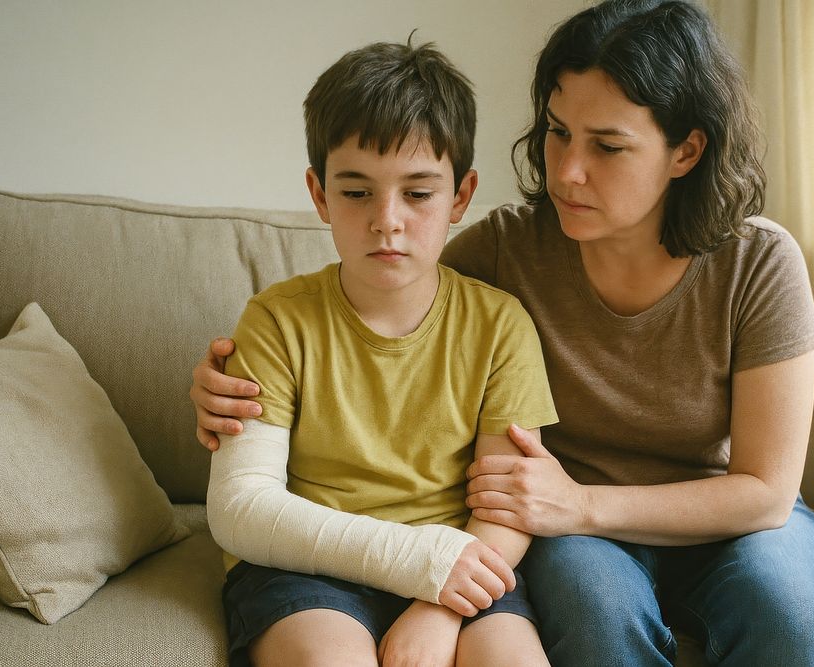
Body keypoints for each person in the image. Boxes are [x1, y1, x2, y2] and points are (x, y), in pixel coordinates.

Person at [192, 1, 814, 665]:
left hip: (717, 519)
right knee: (596, 615)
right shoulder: (508, 251)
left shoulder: (758, 263)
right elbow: (388, 303)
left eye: (607, 145)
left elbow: (765, 490)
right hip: (567, 533)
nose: (565, 171)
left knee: (786, 614)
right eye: (558, 132)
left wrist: (578, 505)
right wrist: (230, 383)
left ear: (686, 149)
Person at [204, 39, 558, 667]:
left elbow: (509, 506)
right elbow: (240, 511)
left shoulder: (501, 325)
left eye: (418, 193)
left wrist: (438, 607)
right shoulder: (276, 320)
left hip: (458, 570)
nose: (387, 220)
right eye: (357, 192)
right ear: (319, 194)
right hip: (305, 569)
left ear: (461, 196)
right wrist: (416, 562)